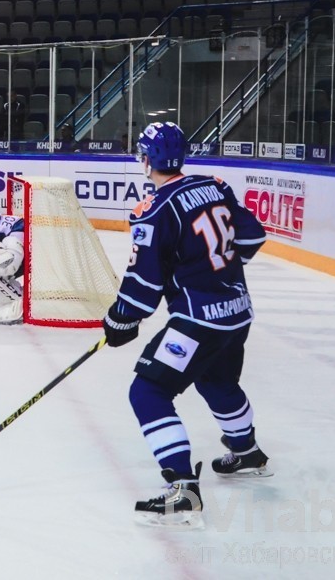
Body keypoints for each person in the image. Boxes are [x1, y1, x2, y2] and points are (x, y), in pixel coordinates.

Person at [100, 121, 269, 528]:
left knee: (148, 390)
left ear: (146, 160)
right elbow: (252, 237)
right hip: (238, 311)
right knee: (217, 382)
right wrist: (217, 274)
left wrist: (120, 319)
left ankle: (183, 488)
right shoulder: (215, 186)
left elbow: (144, 283)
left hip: (198, 321)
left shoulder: (153, 210)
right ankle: (246, 452)